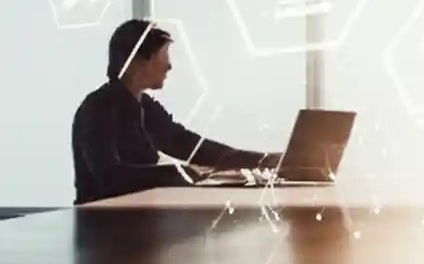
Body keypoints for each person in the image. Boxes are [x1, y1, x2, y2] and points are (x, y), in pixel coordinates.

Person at [72, 19, 281, 205]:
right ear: (139, 61)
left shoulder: (145, 107)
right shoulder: (98, 109)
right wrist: (177, 173)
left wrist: (263, 160)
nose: (169, 65)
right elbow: (107, 176)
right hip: (102, 230)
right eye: (162, 56)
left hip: (132, 226)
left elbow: (189, 146)